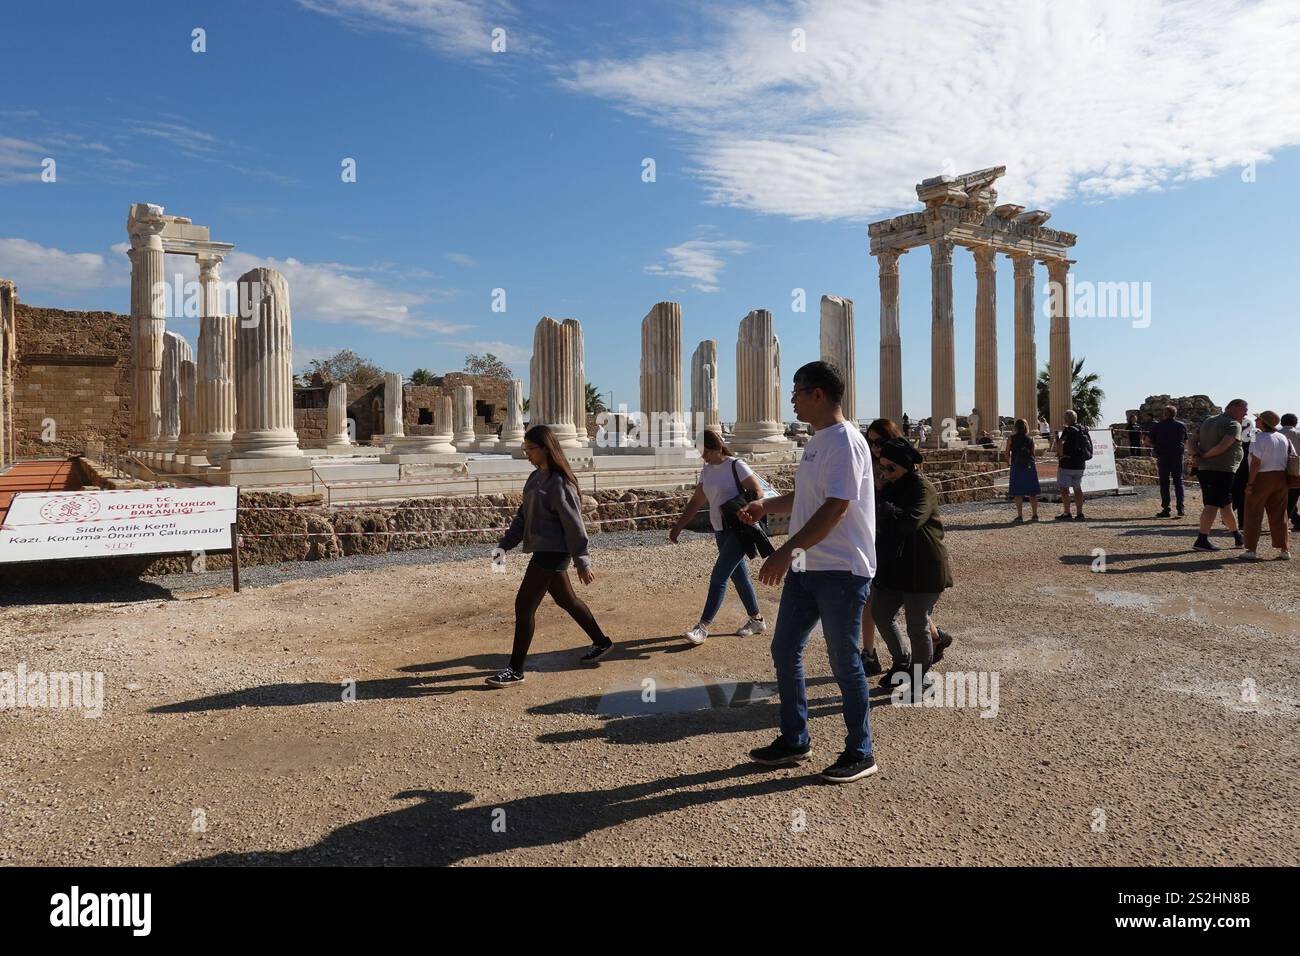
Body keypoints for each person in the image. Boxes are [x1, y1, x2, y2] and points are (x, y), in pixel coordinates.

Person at [740, 361, 879, 784]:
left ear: (818, 394)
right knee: (785, 650)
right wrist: (768, 505)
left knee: (843, 660)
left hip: (840, 569)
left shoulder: (846, 442)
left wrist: (784, 552)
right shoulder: (819, 442)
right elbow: (809, 497)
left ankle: (861, 751)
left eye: (797, 391)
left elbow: (836, 507)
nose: (792, 399)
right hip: (809, 567)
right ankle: (795, 739)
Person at [488, 425, 613, 687]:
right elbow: (522, 519)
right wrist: (503, 546)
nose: (527, 455)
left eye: (530, 449)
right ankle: (602, 642)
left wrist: (582, 561)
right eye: (525, 450)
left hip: (554, 552)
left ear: (545, 448)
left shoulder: (560, 482)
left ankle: (515, 670)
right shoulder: (534, 480)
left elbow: (573, 524)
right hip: (544, 550)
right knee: (567, 600)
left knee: (523, 606)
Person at [860, 419, 952, 676]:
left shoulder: (922, 488)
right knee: (881, 613)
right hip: (894, 566)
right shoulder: (888, 487)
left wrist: (879, 502)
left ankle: (919, 675)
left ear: (904, 465)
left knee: (917, 624)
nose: (885, 473)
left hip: (923, 565)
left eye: (890, 468)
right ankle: (902, 661)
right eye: (883, 468)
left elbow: (909, 521)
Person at [669, 429, 766, 645]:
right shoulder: (707, 470)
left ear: (716, 447)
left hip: (740, 529)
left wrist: (747, 510)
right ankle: (757, 619)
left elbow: (758, 492)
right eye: (701, 453)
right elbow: (696, 502)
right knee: (739, 576)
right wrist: (679, 526)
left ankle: (702, 626)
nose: (704, 457)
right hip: (719, 530)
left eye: (706, 453)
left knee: (719, 576)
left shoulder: (736, 465)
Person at [1193, 399, 1248, 552]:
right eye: (1244, 409)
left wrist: (1197, 455)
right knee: (1212, 504)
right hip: (1221, 470)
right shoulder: (1233, 424)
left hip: (1205, 470)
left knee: (1225, 504)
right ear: (1233, 407)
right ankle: (1201, 540)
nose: (1246, 413)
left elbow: (1190, 441)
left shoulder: (1208, 421)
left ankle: (1237, 536)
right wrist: (1205, 456)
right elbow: (1224, 446)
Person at [1241, 410, 1294, 560]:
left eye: (1258, 419)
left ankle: (1251, 549)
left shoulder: (1259, 438)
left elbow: (1256, 463)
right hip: (1281, 477)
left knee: (1253, 513)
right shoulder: (1282, 437)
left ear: (1264, 422)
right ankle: (1284, 549)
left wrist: (1250, 483)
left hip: (1262, 477)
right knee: (1279, 514)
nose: (1256, 421)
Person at [1148, 404, 1188, 518]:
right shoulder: (1181, 425)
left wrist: (1157, 446)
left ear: (1165, 414)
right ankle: (1180, 508)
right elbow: (1185, 441)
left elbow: (1148, 440)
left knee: (1164, 483)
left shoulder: (1158, 426)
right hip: (1177, 456)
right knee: (1178, 482)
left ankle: (1166, 509)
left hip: (1163, 456)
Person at [1054, 409, 1092, 521]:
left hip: (1067, 463)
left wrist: (1059, 455)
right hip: (1080, 463)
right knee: (1077, 488)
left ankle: (1067, 512)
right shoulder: (1083, 429)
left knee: (1064, 489)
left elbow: (1060, 442)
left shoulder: (1068, 430)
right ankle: (1080, 513)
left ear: (1066, 419)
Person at [1004, 418, 1041, 522]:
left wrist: (1009, 462)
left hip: (1017, 465)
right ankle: (1035, 515)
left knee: (1017, 492)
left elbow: (1006, 453)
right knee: (1032, 492)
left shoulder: (1011, 438)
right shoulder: (1031, 439)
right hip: (1029, 465)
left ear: (1016, 427)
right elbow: (1033, 454)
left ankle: (1020, 515)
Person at [1232, 410, 1257, 531]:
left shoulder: (1235, 433)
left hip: (1237, 467)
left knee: (1237, 494)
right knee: (1244, 496)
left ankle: (1233, 518)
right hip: (1248, 468)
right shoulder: (1254, 435)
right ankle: (1242, 522)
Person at [1280, 413, 1300, 531]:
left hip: (1279, 468)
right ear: (1295, 423)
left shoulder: (1277, 434)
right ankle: (1287, 520)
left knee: (1285, 496)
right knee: (1293, 496)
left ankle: (1295, 519)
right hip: (1296, 469)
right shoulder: (1297, 434)